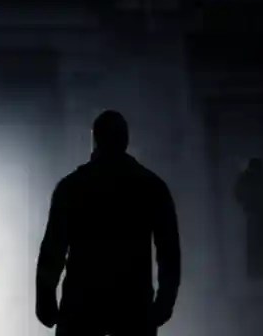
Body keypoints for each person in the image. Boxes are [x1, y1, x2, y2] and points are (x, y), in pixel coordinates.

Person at [36, 111, 181, 336]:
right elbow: (168, 252)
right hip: (133, 304)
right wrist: (164, 302)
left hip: (82, 304)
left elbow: (53, 249)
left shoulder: (72, 187)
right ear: (126, 140)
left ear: (95, 139)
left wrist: (45, 299)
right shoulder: (151, 187)